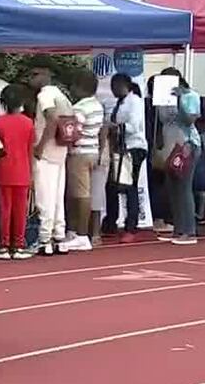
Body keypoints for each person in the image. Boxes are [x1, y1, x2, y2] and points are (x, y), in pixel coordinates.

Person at [29, 60, 74, 255]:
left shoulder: (45, 95)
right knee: (57, 197)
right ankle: (59, 235)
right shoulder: (63, 96)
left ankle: (44, 239)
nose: (31, 79)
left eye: (34, 75)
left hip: (47, 152)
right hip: (60, 150)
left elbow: (52, 118)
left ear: (45, 74)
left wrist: (40, 146)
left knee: (44, 197)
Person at [155, 68, 201, 245]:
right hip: (170, 144)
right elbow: (162, 122)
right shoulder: (163, 98)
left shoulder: (191, 96)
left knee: (184, 187)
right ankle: (178, 228)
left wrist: (180, 99)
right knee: (172, 188)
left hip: (187, 144)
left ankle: (189, 231)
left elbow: (190, 120)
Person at [102, 74, 149, 243]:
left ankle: (131, 226)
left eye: (116, 86)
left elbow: (135, 126)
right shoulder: (120, 103)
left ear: (124, 86)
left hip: (133, 148)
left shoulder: (134, 102)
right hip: (120, 148)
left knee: (130, 186)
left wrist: (116, 127)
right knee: (112, 186)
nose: (113, 90)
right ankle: (111, 221)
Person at [0, 85, 35, 260]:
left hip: (2, 170)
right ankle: (18, 245)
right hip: (22, 170)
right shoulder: (28, 123)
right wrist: (31, 173)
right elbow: (30, 150)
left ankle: (3, 245)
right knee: (20, 210)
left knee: (4, 209)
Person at [64, 72, 104, 252]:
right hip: (93, 151)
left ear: (80, 87)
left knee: (81, 194)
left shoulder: (79, 108)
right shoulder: (97, 105)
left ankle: (81, 235)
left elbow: (73, 133)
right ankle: (75, 233)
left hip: (79, 152)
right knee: (80, 192)